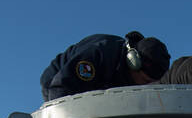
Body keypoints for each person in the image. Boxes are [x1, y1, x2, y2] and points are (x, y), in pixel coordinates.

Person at [39, 31, 170, 103]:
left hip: (97, 89)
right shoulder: (100, 55)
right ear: (133, 62)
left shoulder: (128, 76)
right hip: (59, 81)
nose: (145, 86)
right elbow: (62, 86)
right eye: (146, 81)